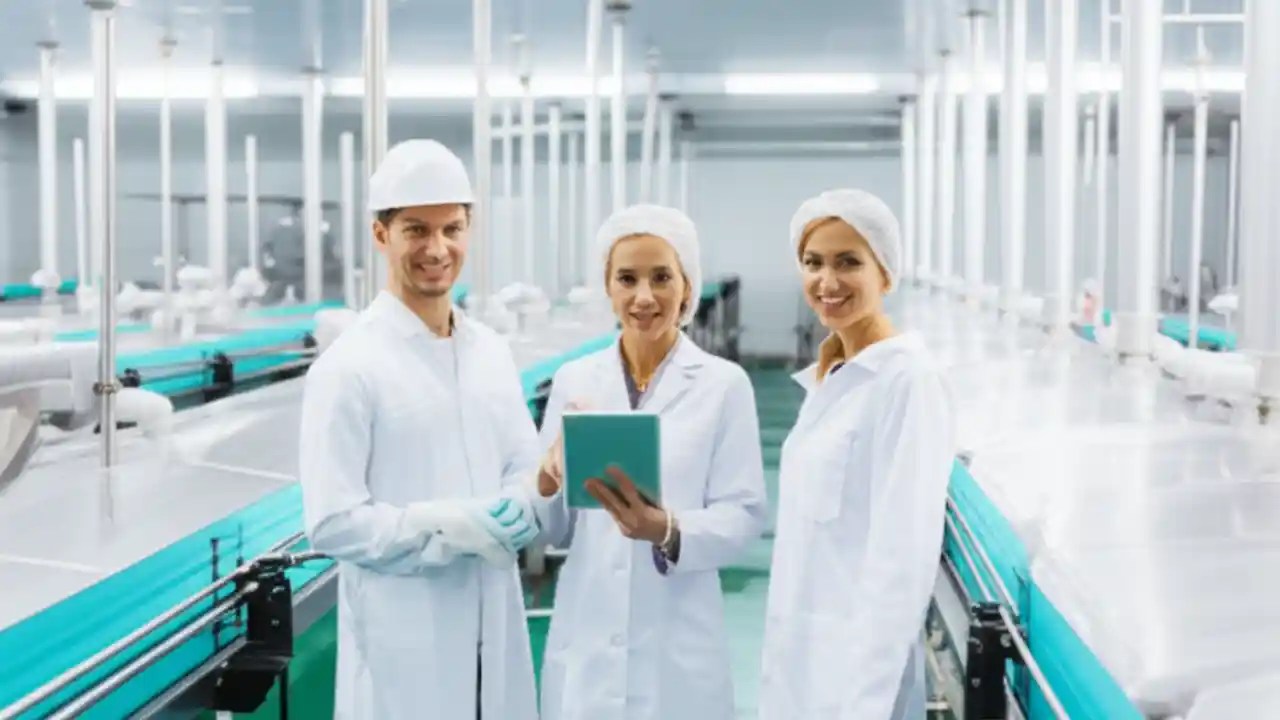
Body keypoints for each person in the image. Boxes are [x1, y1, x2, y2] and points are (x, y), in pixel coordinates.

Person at [298, 139, 542, 720]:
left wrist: (522, 501)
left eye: (451, 229)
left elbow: (522, 465)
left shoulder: (490, 351)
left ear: (470, 228)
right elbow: (331, 522)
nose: (437, 249)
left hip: (494, 624)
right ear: (381, 235)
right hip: (404, 643)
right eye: (416, 230)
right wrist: (440, 527)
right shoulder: (349, 366)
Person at [531, 204, 768, 720]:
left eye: (662, 277)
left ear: (687, 286)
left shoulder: (723, 385)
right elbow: (551, 529)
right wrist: (548, 479)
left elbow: (744, 513)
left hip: (677, 644)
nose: (644, 296)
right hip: (588, 634)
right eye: (627, 278)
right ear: (608, 288)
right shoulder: (576, 381)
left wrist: (668, 530)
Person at [758, 189, 957, 719]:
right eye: (813, 263)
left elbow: (902, 557)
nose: (827, 281)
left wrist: (864, 703)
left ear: (885, 273)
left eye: (849, 262)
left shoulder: (906, 381)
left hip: (853, 680)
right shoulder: (834, 376)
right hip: (801, 662)